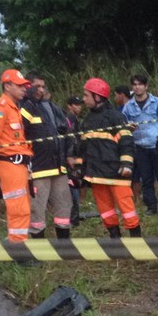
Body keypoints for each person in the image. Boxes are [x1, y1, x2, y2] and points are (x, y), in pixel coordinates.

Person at [80, 77, 138, 238]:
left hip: (116, 172)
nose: (84, 99)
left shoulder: (115, 117)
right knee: (106, 211)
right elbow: (83, 149)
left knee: (128, 210)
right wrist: (81, 171)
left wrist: (126, 164)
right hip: (96, 174)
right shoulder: (87, 121)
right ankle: (115, 241)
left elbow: (127, 142)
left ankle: (137, 241)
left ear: (97, 97)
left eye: (86, 95)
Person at [0, 69, 34, 244]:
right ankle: (18, 245)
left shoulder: (14, 108)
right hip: (9, 164)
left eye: (24, 86)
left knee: (22, 205)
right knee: (18, 207)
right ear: (7, 86)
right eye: (19, 86)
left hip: (19, 165)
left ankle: (17, 240)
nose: (24, 89)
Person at [21, 73, 73, 239]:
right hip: (38, 169)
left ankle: (64, 245)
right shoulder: (23, 108)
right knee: (36, 211)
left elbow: (66, 132)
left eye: (43, 87)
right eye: (37, 86)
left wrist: (69, 156)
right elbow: (19, 135)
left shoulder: (52, 108)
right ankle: (40, 248)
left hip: (59, 167)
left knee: (64, 207)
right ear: (28, 86)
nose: (41, 90)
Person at [122, 74, 158, 215]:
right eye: (135, 85)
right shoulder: (128, 107)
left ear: (146, 86)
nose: (137, 87)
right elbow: (123, 125)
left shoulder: (157, 102)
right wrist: (128, 128)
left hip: (157, 146)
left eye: (140, 84)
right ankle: (151, 207)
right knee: (146, 179)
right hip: (140, 148)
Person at [64, 95, 85, 226]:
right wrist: (70, 156)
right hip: (71, 157)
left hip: (77, 156)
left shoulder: (75, 119)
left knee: (76, 184)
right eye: (76, 105)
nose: (79, 107)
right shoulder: (69, 119)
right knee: (72, 185)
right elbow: (70, 138)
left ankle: (75, 215)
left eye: (80, 105)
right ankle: (73, 217)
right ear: (69, 106)